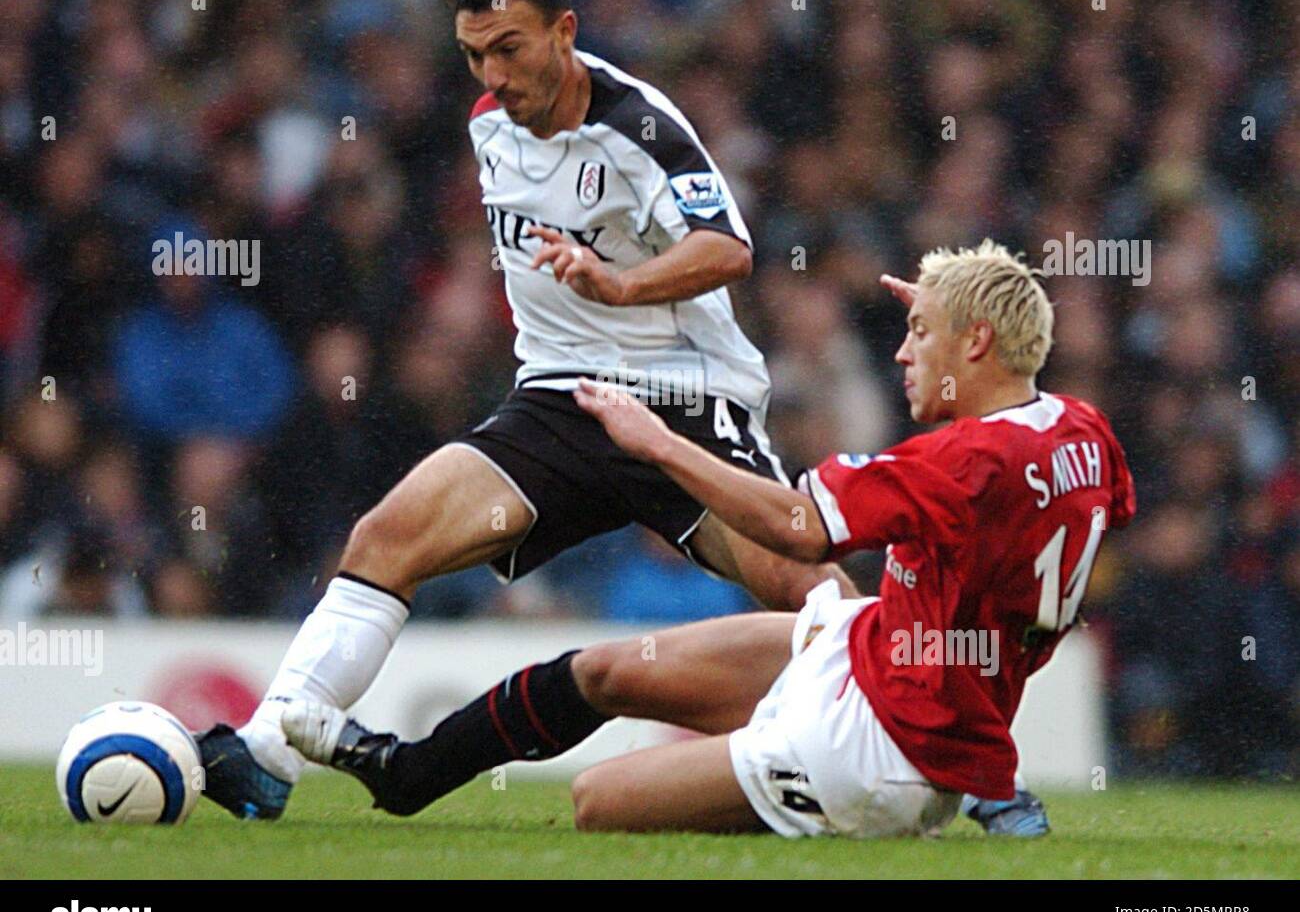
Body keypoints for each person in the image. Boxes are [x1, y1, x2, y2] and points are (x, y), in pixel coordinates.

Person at [195, 0, 858, 821]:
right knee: (388, 535)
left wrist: (620, 283)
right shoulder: (485, 125)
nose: (493, 74)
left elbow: (729, 248)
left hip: (682, 406)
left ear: (565, 30)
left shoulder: (639, 127)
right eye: (475, 55)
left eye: (510, 48)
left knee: (817, 599)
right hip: (557, 402)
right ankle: (269, 756)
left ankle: (922, 752)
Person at [280, 241, 1136, 839]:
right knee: (604, 671)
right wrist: (956, 323)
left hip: (876, 749)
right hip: (875, 651)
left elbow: (800, 531)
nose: (905, 352)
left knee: (595, 803)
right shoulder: (1081, 433)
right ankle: (407, 774)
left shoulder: (956, 462)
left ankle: (885, 814)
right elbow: (1072, 505)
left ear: (976, 344)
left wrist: (654, 442)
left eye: (921, 334)